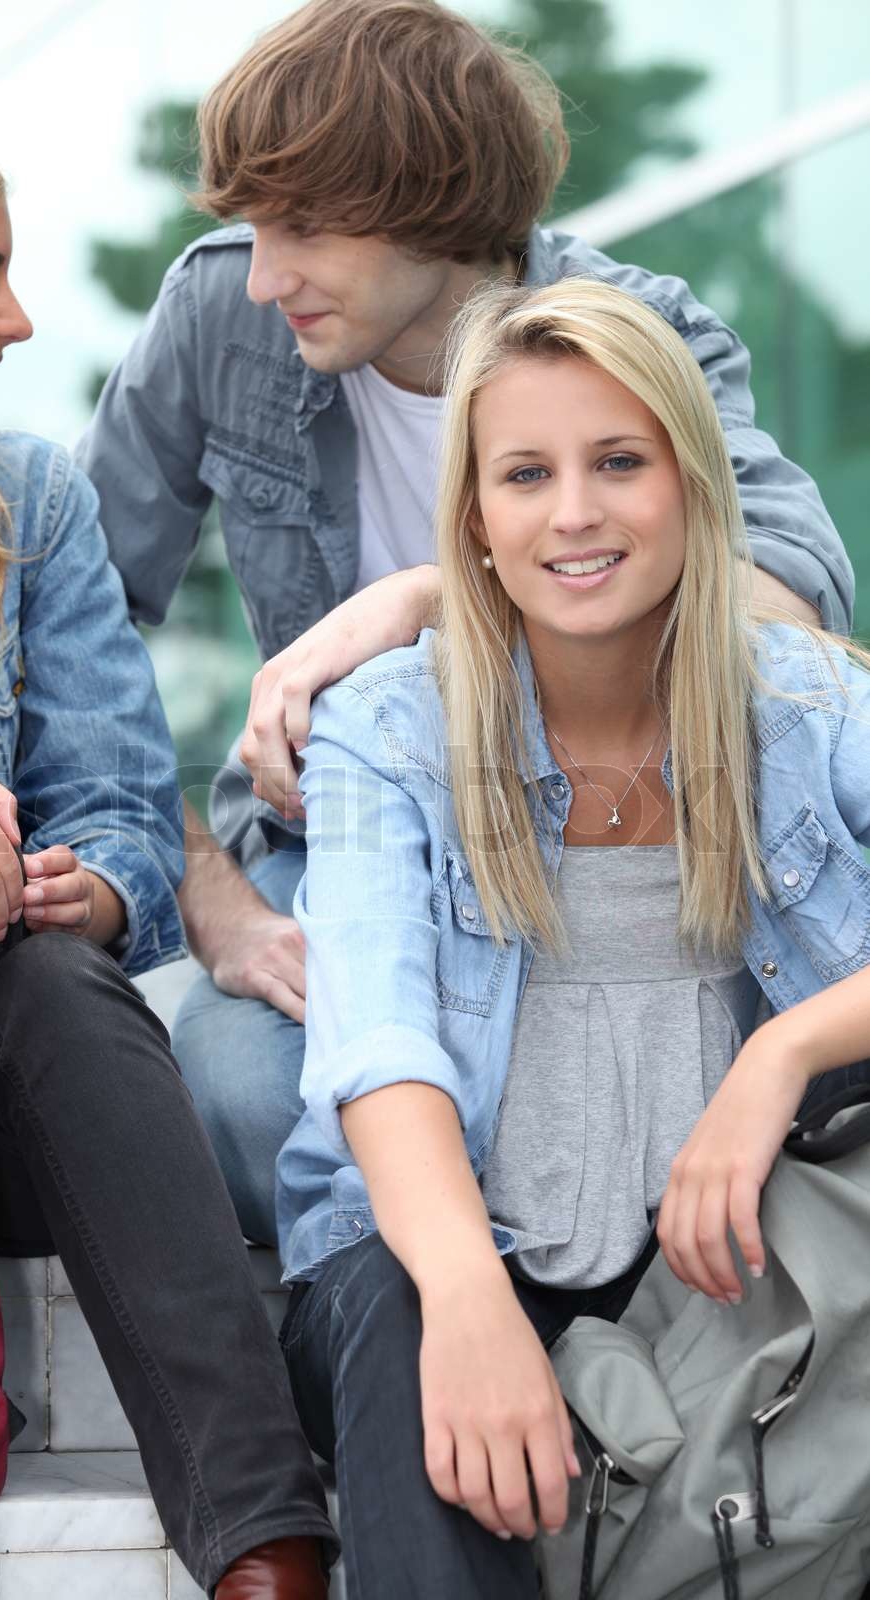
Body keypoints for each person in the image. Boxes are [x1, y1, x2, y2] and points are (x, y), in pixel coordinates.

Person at [77, 0, 855, 1249]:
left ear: (430, 201)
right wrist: (208, 895)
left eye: (305, 228)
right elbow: (79, 625)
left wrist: (438, 593)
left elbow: (796, 596)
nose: (266, 271)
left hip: (613, 831)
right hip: (333, 837)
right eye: (250, 228)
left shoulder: (627, 324)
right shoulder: (222, 318)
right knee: (241, 1088)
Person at [0, 103, 337, 1599]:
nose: (18, 320)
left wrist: (93, 882)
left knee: (49, 973)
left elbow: (112, 794)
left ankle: (262, 1553)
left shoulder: (27, 506)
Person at [273, 274, 870, 1599]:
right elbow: (378, 1042)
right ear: (474, 522)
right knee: (387, 1305)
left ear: (689, 485)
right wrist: (469, 1306)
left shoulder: (803, 699)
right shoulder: (386, 728)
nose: (574, 514)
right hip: (447, 1242)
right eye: (525, 474)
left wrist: (778, 1062)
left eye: (616, 462)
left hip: (731, 1252)